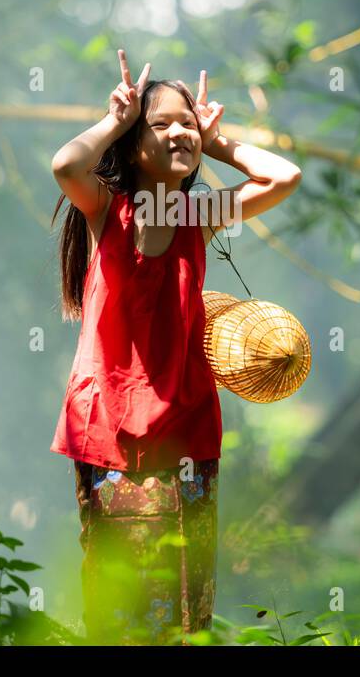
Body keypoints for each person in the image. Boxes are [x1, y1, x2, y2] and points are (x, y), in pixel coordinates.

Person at [50, 48, 301, 643]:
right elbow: (66, 166)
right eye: (160, 123)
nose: (179, 131)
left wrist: (217, 144)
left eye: (187, 121)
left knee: (185, 599)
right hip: (109, 427)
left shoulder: (200, 212)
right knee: (121, 597)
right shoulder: (108, 210)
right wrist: (114, 117)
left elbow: (283, 177)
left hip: (185, 428)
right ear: (133, 142)